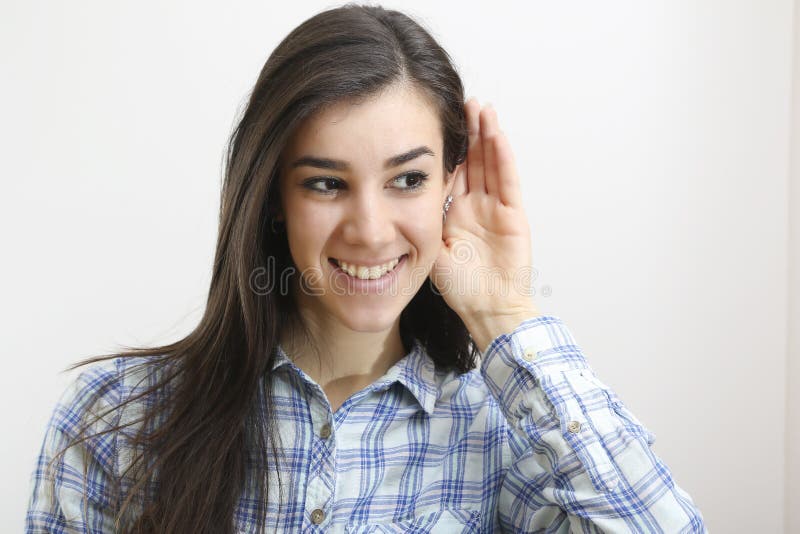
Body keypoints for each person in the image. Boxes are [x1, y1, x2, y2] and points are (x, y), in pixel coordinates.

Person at [25, 4, 707, 533]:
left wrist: (505, 312)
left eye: (407, 180)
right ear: (272, 200)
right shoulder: (119, 419)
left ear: (449, 185)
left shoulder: (505, 434)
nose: (371, 230)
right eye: (325, 184)